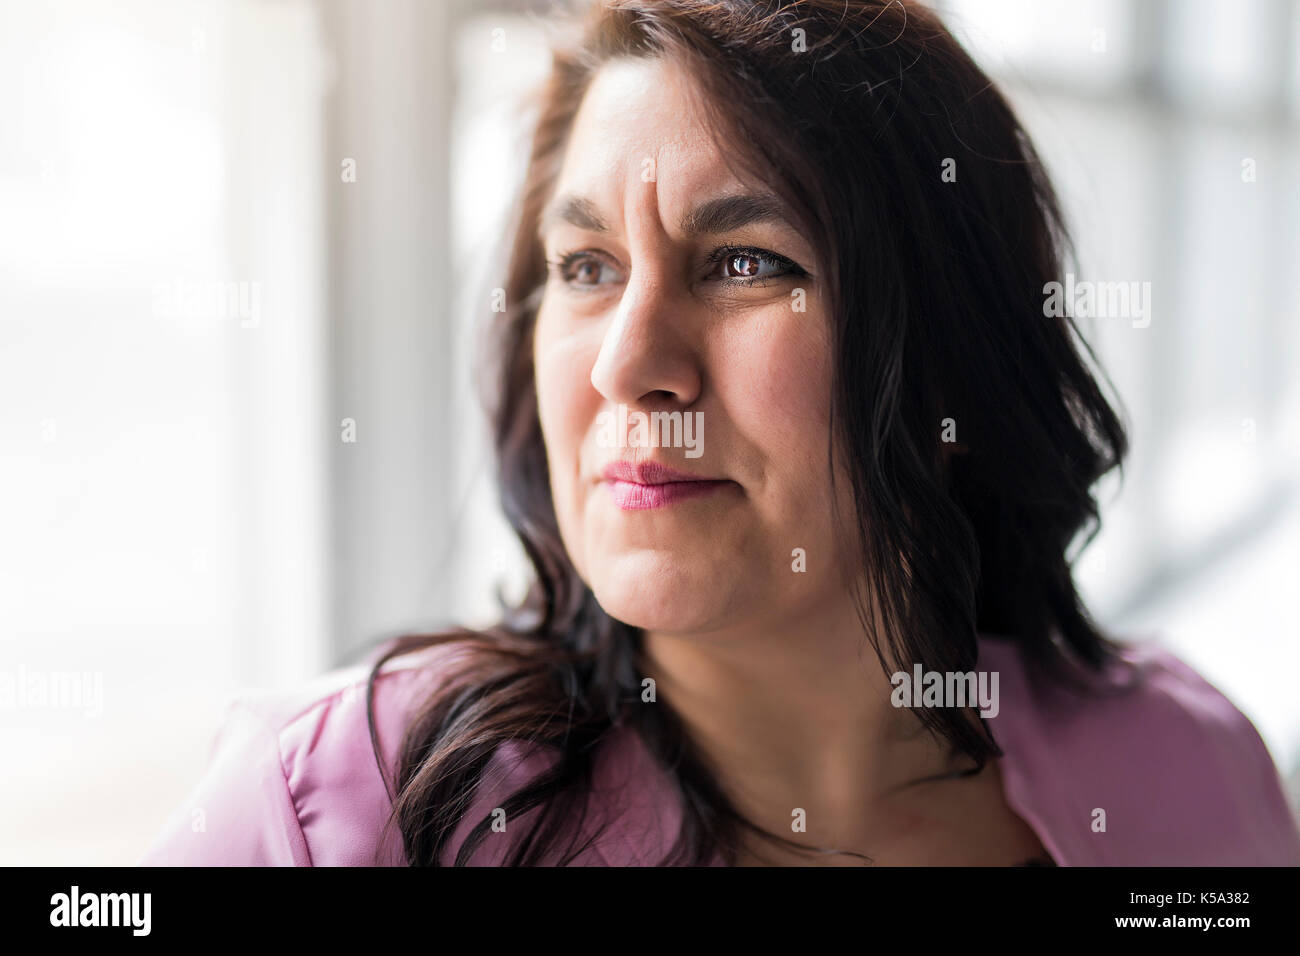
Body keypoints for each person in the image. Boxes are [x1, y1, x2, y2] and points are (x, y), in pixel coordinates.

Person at [141, 0, 1300, 867]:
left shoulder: (1187, 772)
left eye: (744, 263)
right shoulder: (339, 805)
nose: (627, 361)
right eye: (587, 267)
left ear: (955, 352)